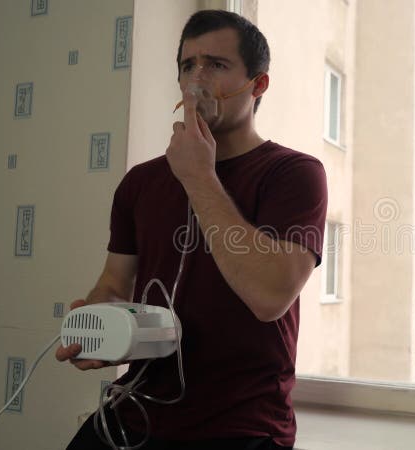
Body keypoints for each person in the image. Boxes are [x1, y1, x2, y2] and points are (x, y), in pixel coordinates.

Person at [55, 9, 328, 450]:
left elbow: (270, 296)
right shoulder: (140, 183)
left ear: (258, 84)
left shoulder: (293, 174)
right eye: (188, 65)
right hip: (136, 410)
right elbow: (114, 283)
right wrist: (99, 325)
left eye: (216, 65)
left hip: (241, 427)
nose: (196, 79)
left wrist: (199, 176)